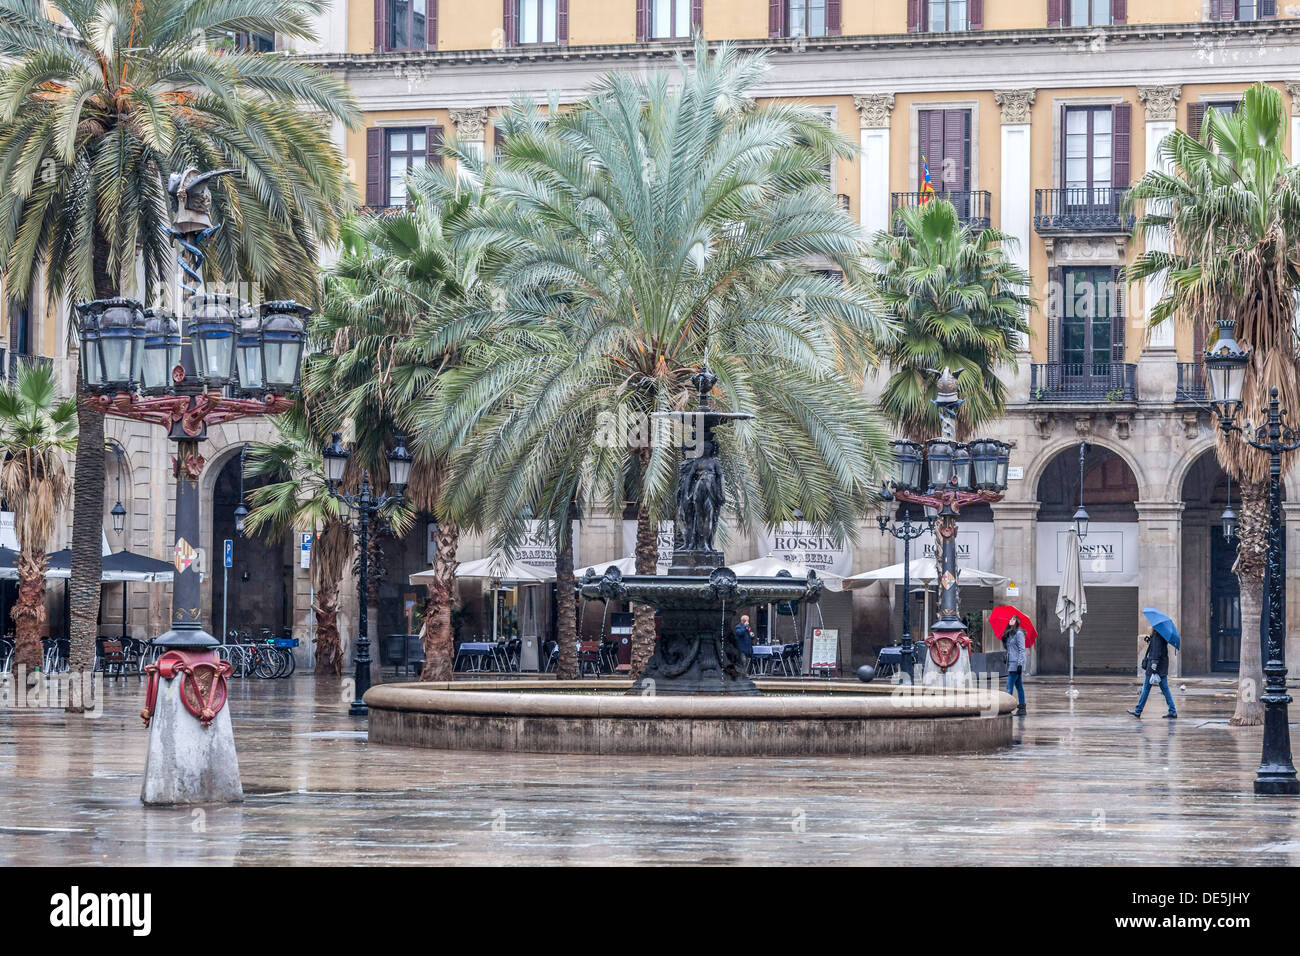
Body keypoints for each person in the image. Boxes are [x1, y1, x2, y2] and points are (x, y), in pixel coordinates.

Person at [1128, 629, 1177, 719]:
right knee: (1164, 689)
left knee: (1146, 688)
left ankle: (1138, 710)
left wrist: (1154, 663)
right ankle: (1172, 711)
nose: (1149, 627)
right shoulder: (1159, 634)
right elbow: (1157, 647)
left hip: (1155, 666)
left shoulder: (1158, 634)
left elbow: (1157, 650)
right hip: (1161, 665)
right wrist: (1150, 640)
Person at [1003, 616, 1027, 717]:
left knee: (1009, 686)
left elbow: (1022, 650)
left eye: (1013, 619)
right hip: (1011, 662)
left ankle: (1006, 708)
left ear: (1017, 622)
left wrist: (1020, 664)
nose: (1010, 621)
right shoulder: (1010, 634)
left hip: (1016, 664)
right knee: (1019, 686)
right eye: (1010, 619)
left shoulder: (1019, 633)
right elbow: (1010, 649)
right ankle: (1022, 709)